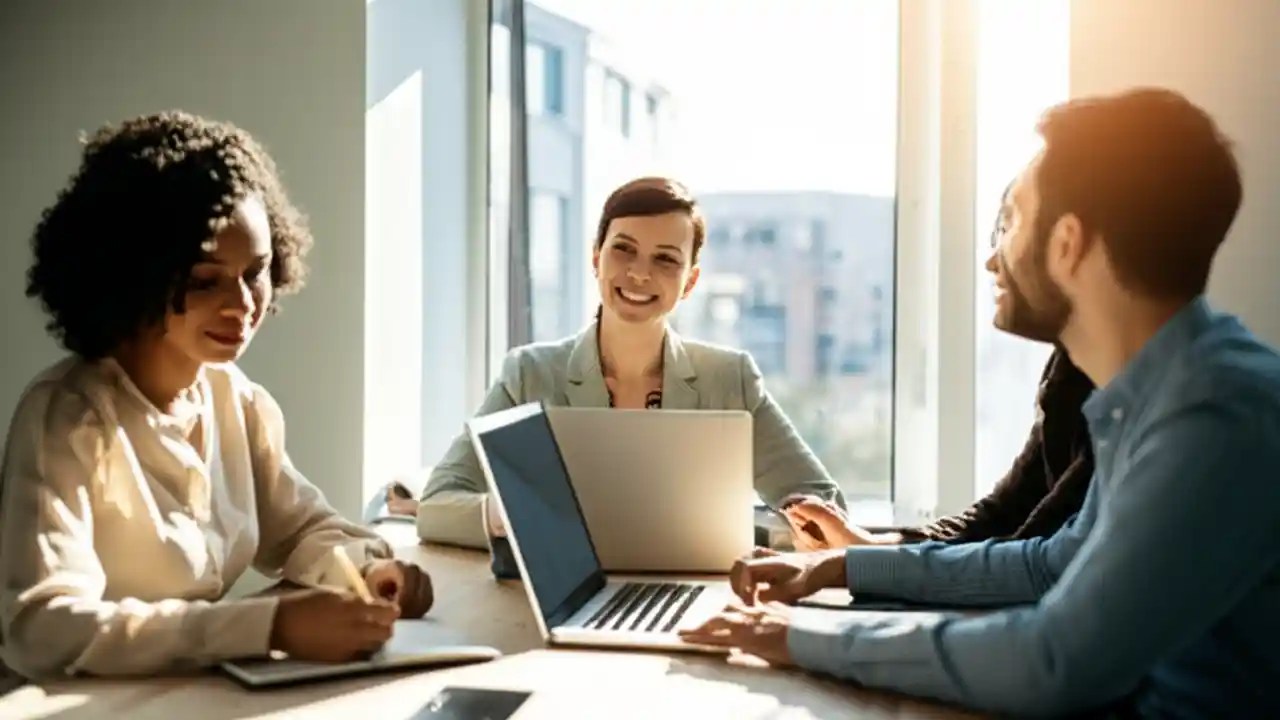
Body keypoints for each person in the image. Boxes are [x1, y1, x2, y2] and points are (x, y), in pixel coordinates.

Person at [680, 88, 1280, 718]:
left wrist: (801, 637)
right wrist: (839, 568)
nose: (995, 253)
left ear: (1067, 243)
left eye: (1013, 220)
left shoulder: (1215, 416)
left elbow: (1055, 659)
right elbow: (1049, 566)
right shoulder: (1158, 393)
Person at [0, 112, 434, 679]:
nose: (244, 304)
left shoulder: (234, 398)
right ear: (133, 275)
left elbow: (304, 530)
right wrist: (269, 626)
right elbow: (41, 628)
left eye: (255, 272)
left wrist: (373, 572)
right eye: (206, 280)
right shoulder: (67, 417)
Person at [411, 177, 845, 574]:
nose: (640, 273)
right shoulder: (529, 374)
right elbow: (437, 506)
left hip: (694, 593)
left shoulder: (728, 378)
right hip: (564, 594)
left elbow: (827, 508)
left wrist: (731, 528)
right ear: (596, 257)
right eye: (624, 249)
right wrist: (512, 512)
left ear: (690, 282)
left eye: (665, 260)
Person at [781, 189, 1096, 550]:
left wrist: (859, 564)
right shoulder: (1068, 370)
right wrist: (869, 547)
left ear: (1067, 242)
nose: (992, 261)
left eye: (1008, 227)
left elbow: (1035, 560)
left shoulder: (1132, 393)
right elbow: (1002, 515)